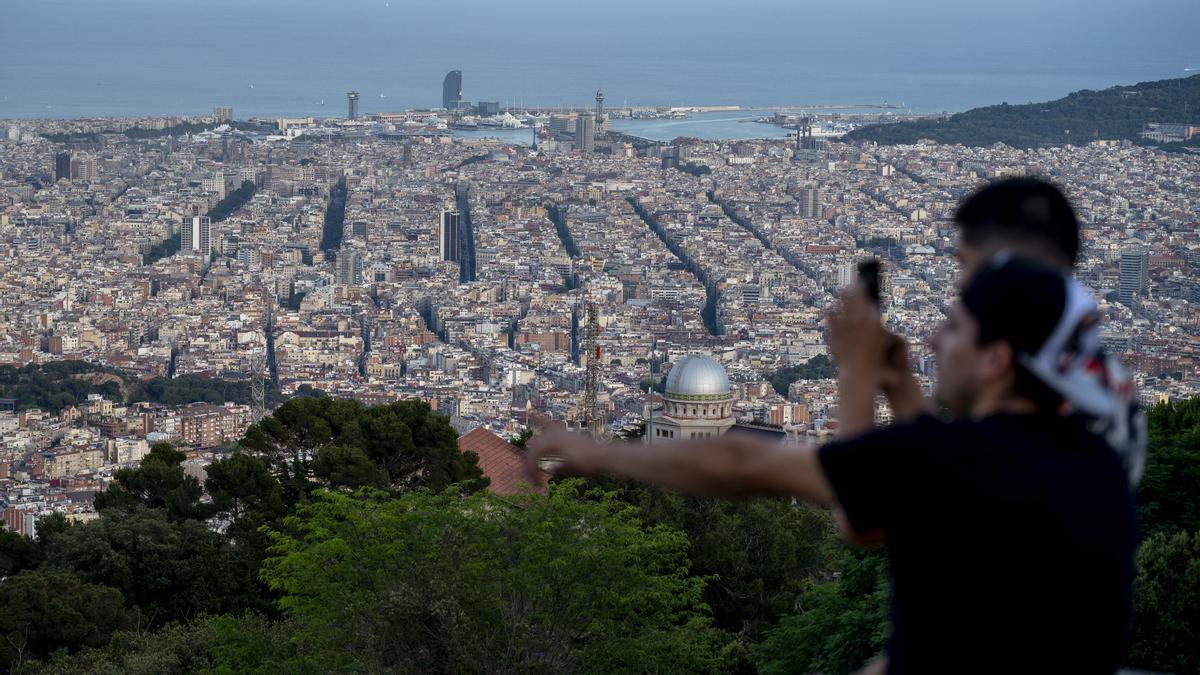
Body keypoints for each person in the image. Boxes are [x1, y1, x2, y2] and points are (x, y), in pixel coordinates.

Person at [526, 256, 1137, 674]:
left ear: (997, 359)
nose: (931, 341)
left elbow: (771, 476)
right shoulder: (1094, 462)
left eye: (953, 328)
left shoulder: (960, 460)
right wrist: (896, 389)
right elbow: (912, 487)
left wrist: (597, 452)